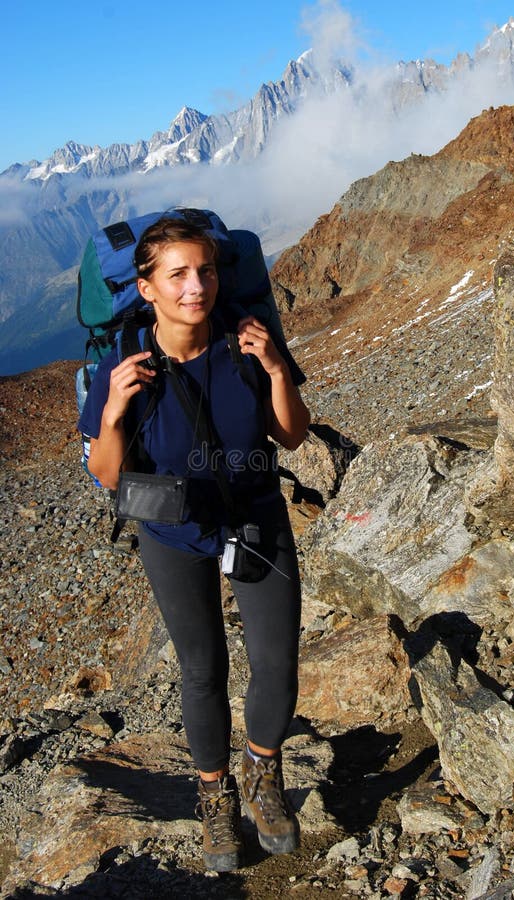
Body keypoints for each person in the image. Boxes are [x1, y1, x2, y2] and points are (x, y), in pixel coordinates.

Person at [78, 216, 310, 872]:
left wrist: (273, 367)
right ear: (145, 288)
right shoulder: (126, 365)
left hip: (255, 514)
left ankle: (263, 772)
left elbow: (291, 435)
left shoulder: (245, 342)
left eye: (205, 271)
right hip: (171, 531)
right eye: (176, 274)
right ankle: (214, 794)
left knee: (276, 661)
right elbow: (109, 476)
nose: (196, 287)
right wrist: (118, 409)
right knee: (203, 669)